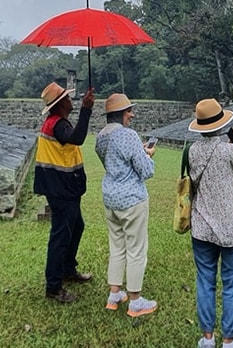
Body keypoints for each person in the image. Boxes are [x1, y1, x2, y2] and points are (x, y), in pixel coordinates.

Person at [186, 97, 233, 348]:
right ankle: (229, 345)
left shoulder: (193, 151)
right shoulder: (231, 152)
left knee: (205, 281)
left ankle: (207, 342)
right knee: (231, 284)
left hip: (202, 227)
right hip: (232, 228)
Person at [94, 93, 158, 317]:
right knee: (136, 250)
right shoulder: (128, 135)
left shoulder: (101, 136)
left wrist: (138, 151)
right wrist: (148, 155)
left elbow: (116, 161)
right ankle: (135, 301)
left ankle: (114, 294)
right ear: (121, 113)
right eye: (129, 111)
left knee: (117, 247)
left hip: (110, 197)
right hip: (131, 199)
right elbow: (146, 171)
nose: (132, 114)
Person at [34, 81, 95, 303]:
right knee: (60, 236)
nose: (71, 100)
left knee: (76, 227)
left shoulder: (56, 123)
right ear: (60, 104)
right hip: (61, 190)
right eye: (67, 98)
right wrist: (86, 109)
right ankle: (53, 286)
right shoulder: (58, 125)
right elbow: (77, 138)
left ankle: (68, 269)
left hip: (63, 187)